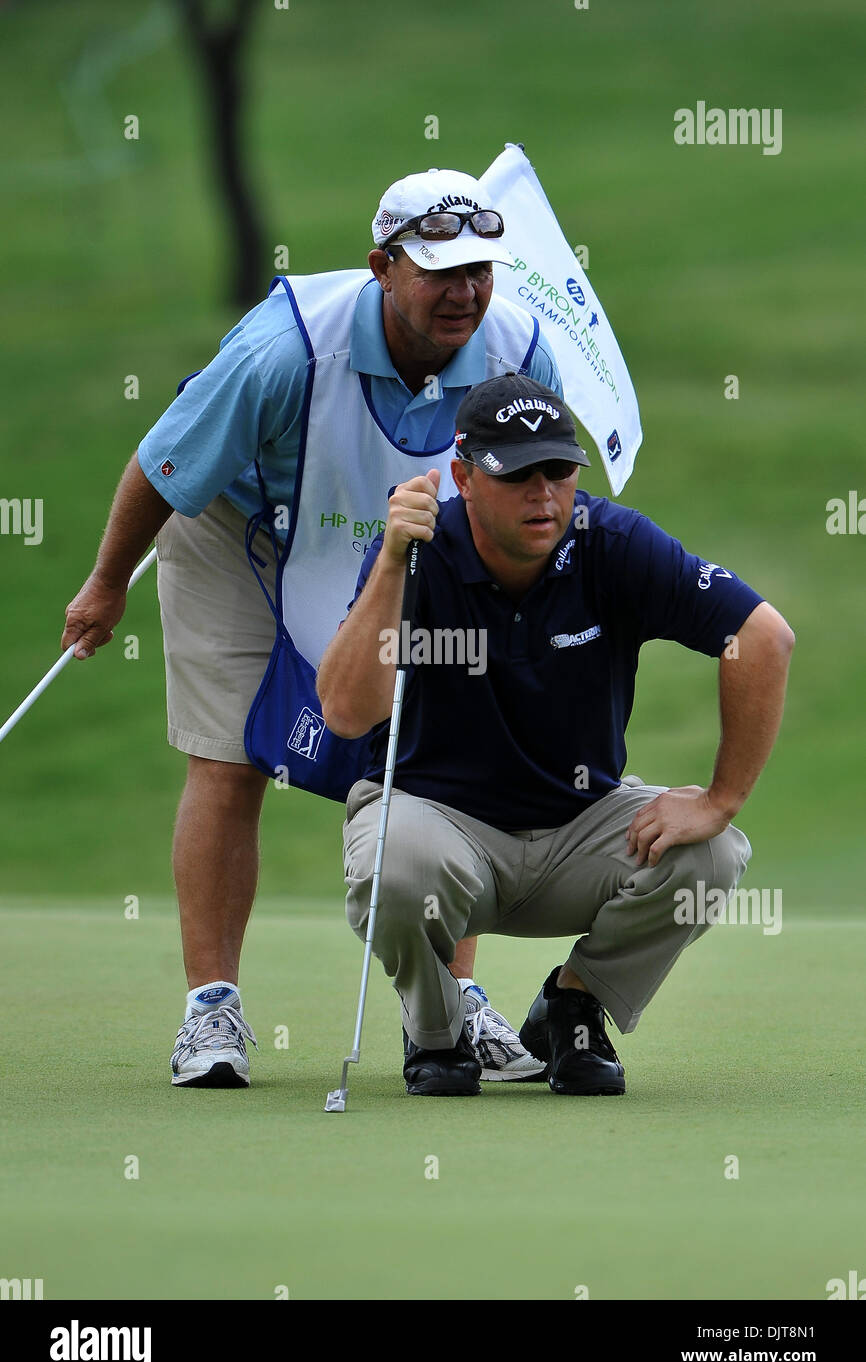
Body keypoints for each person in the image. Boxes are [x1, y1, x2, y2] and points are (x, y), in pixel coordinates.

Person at [60, 169, 560, 1086]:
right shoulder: (284, 349)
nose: (465, 292)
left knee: (452, 755)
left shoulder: (518, 348)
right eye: (439, 271)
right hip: (239, 530)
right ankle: (211, 1011)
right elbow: (163, 465)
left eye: (480, 269)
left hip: (409, 539)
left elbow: (536, 493)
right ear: (382, 268)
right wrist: (104, 586)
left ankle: (447, 1009)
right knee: (227, 755)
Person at [317, 373, 795, 1097]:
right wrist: (388, 563)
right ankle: (437, 1029)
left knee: (713, 855)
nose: (544, 494)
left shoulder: (613, 543)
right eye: (519, 475)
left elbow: (762, 638)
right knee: (394, 863)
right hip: (443, 829)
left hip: (580, 829)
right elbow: (348, 713)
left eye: (559, 471)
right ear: (464, 479)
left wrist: (720, 798)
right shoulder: (419, 553)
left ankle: (572, 1009)